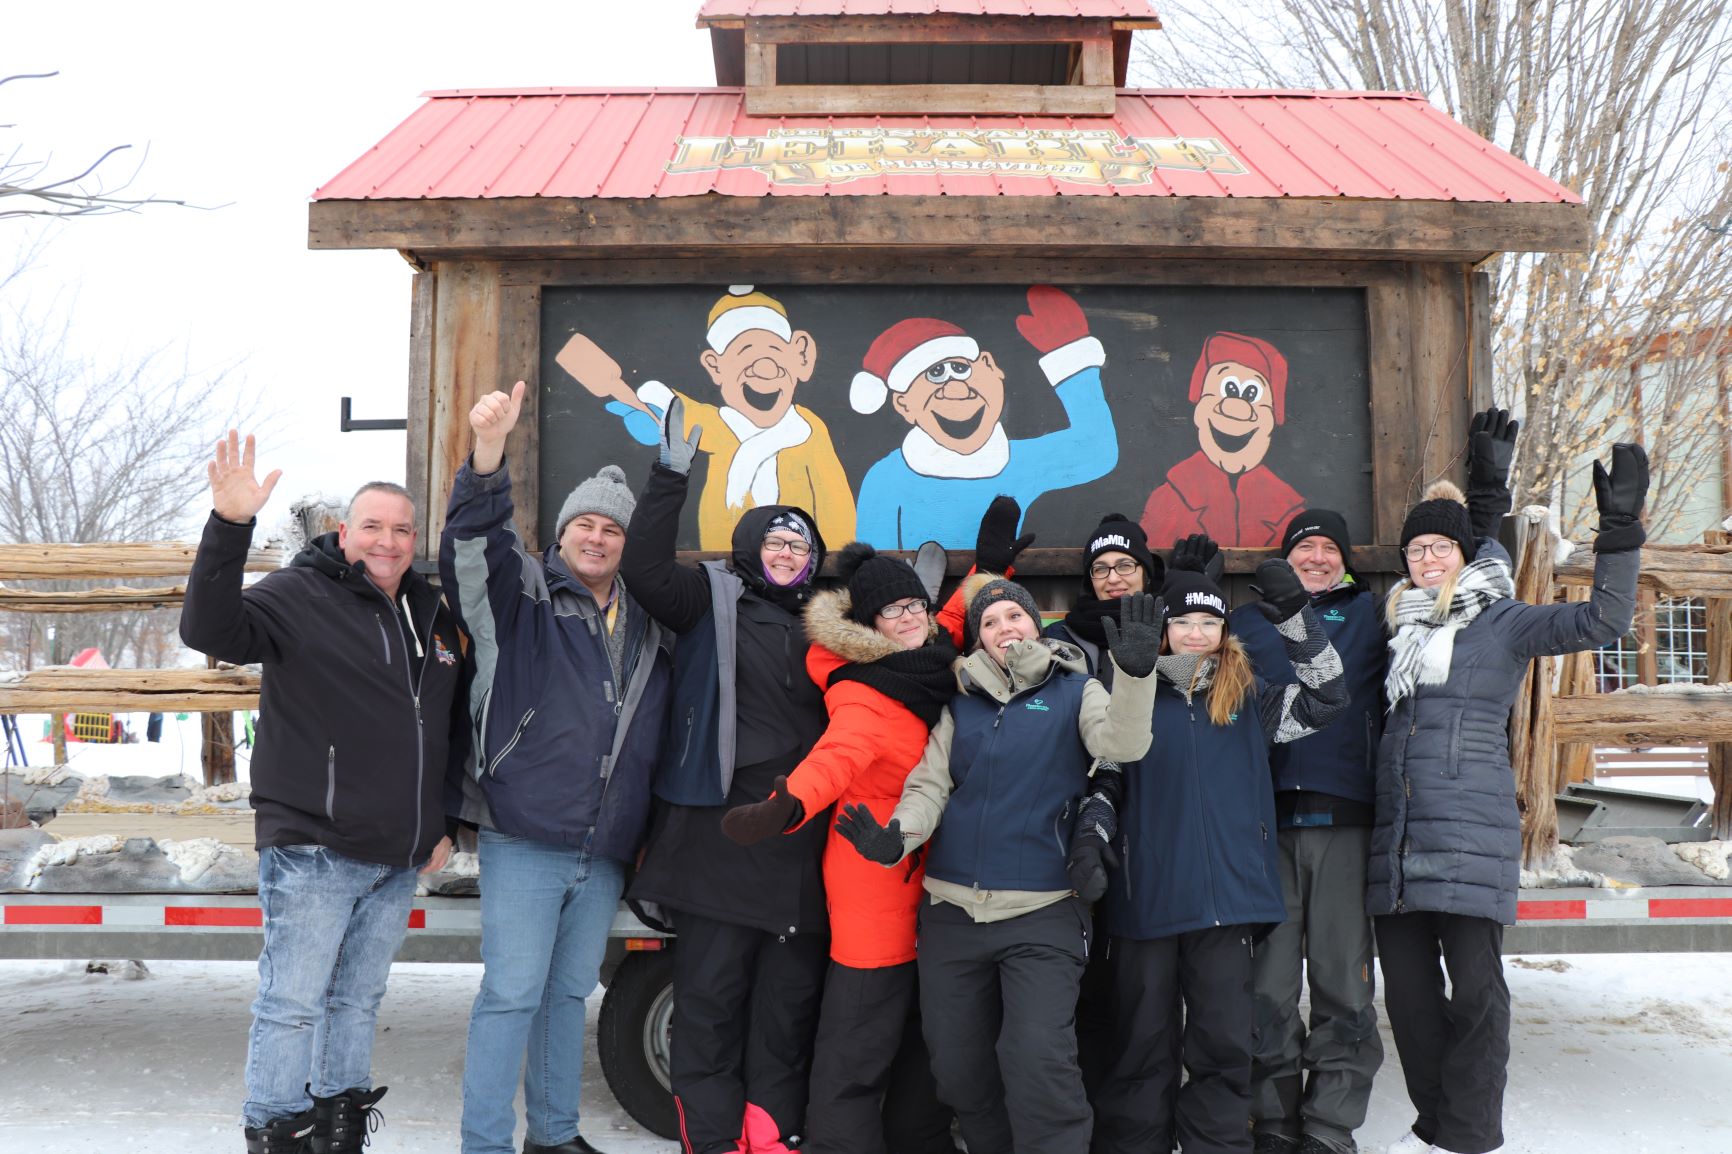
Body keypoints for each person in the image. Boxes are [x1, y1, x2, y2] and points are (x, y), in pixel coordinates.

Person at [180, 432, 464, 1154]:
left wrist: (443, 823)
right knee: (292, 1005)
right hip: (315, 848)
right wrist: (230, 524)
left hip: (398, 856)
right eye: (372, 525)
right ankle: (276, 1131)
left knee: (358, 1002)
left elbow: (443, 727)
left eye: (401, 529)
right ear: (345, 533)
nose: (388, 540)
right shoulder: (299, 595)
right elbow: (208, 627)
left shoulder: (430, 614)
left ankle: (338, 1127)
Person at [1370, 425, 1645, 1154]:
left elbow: (1604, 620)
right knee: (1409, 998)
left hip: (1468, 832)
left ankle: (1469, 1133)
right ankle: (1435, 1125)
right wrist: (1483, 498)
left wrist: (1618, 533)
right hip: (1397, 838)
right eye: (1416, 550)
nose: (1428, 560)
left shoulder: (1502, 621)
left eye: (1441, 548)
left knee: (1478, 995)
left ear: (1465, 557)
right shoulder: (1396, 628)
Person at [837, 574, 1163, 1154]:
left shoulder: (1075, 689)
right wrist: (897, 837)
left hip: (1043, 912)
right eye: (989, 622)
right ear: (978, 639)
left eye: (1014, 616)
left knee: (1037, 1060)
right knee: (959, 1069)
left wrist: (1136, 676)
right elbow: (929, 787)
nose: (1004, 628)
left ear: (1035, 624)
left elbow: (1122, 745)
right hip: (951, 915)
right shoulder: (959, 702)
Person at [439, 381, 673, 1154]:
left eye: (612, 528)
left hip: (603, 843)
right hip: (526, 832)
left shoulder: (646, 621)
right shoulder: (523, 595)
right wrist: (487, 458)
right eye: (584, 525)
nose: (597, 538)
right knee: (511, 994)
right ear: (563, 533)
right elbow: (473, 544)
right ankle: (485, 1143)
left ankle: (555, 1135)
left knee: (569, 994)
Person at [622, 397, 832, 1154]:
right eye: (775, 540)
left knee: (785, 1015)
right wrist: (669, 476)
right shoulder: (709, 601)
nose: (784, 552)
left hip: (802, 850)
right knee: (709, 1008)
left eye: (798, 545)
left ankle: (770, 1141)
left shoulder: (829, 624)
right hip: (716, 843)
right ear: (749, 547)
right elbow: (643, 567)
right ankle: (711, 1143)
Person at [1090, 553, 1349, 1154]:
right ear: (1163, 631)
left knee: (1223, 1049)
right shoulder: (1125, 693)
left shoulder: (1249, 699)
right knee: (1141, 1049)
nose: (1197, 634)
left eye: (1209, 624)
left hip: (1226, 904)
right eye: (1183, 623)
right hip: (1146, 900)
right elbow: (1102, 775)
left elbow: (1329, 698)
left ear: (1224, 632)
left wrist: (1296, 619)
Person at [720, 542, 961, 1154]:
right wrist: (788, 805)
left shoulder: (928, 663)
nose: (908, 617)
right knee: (856, 1050)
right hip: (873, 890)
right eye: (892, 611)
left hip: (924, 886)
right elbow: (834, 759)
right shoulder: (865, 693)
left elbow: (952, 620)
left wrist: (991, 568)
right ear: (868, 627)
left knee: (917, 1044)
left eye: (914, 605)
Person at [1232, 511, 1387, 1154]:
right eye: (1304, 547)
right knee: (1265, 984)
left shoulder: (1375, 615)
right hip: (1261, 820)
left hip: (1344, 814)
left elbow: (1455, 602)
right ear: (1283, 560)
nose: (1317, 557)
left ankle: (1329, 1122)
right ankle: (1272, 1114)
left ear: (1345, 560)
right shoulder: (1243, 622)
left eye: (1329, 548)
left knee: (1340, 979)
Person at [558, 285, 855, 548]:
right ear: (716, 367)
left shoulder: (807, 432)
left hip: (796, 570)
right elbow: (681, 415)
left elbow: (835, 506)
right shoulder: (720, 427)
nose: (764, 368)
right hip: (722, 575)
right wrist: (654, 410)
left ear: (800, 356)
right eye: (744, 352)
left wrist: (833, 565)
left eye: (775, 350)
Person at [851, 286, 1119, 548]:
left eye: (960, 368)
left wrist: (1072, 361)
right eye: (935, 375)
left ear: (990, 367)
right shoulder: (886, 479)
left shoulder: (1021, 463)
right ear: (903, 405)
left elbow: (1096, 450)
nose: (956, 388)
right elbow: (875, 569)